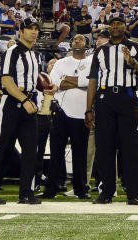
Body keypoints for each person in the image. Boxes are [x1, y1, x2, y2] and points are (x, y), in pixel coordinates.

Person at [85, 14, 138, 206]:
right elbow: (93, 81)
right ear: (109, 27)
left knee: (130, 148)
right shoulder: (100, 51)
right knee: (104, 147)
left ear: (125, 27)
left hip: (127, 97)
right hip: (105, 99)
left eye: (119, 24)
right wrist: (88, 109)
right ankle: (106, 192)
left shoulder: (135, 47)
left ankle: (135, 193)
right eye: (113, 24)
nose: (116, 27)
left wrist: (133, 62)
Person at [0, 20, 42, 205]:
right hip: (11, 103)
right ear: (21, 31)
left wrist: (47, 87)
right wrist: (24, 100)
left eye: (36, 29)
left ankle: (26, 193)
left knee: (31, 150)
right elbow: (6, 80)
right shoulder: (13, 51)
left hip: (29, 102)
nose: (34, 32)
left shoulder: (35, 54)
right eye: (30, 29)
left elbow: (32, 80)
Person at [47, 33, 92, 199]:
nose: (77, 41)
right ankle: (51, 189)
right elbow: (54, 82)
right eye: (74, 39)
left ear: (87, 45)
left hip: (82, 113)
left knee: (80, 154)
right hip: (60, 111)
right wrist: (79, 81)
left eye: (81, 39)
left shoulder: (92, 62)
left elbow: (90, 82)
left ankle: (81, 189)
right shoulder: (61, 62)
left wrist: (67, 80)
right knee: (56, 153)